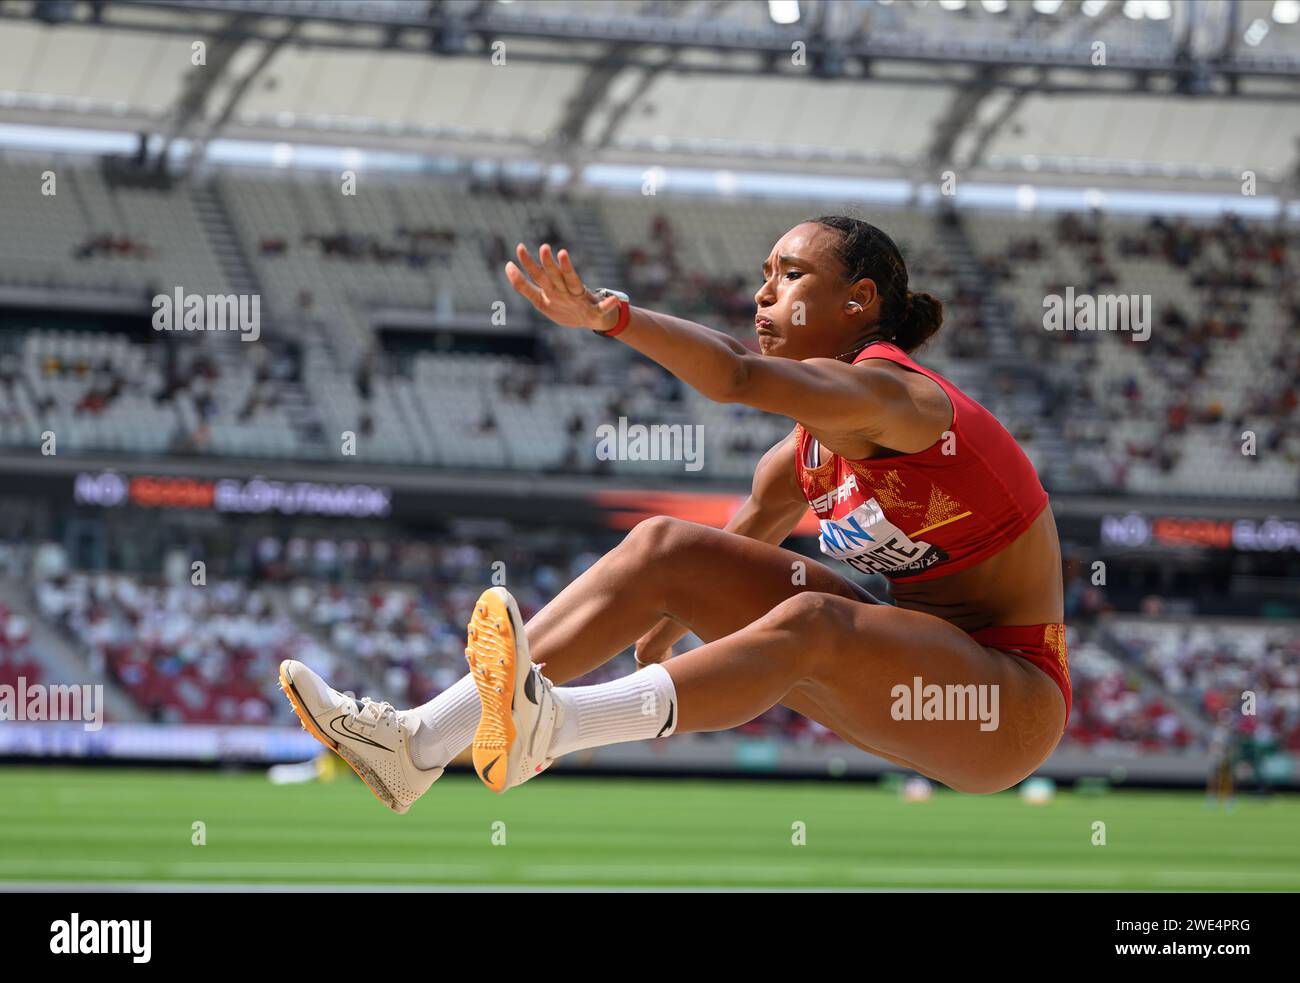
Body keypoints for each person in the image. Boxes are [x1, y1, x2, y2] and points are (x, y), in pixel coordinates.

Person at [279, 216, 1068, 813]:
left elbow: (731, 375)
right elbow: (726, 544)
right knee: (661, 544)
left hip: (1007, 708)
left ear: (859, 302)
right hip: (907, 674)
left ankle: (556, 726)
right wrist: (660, 619)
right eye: (764, 273)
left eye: (791, 276)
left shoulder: (898, 398)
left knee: (815, 616)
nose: (763, 293)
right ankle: (416, 744)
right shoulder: (807, 455)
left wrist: (611, 317)